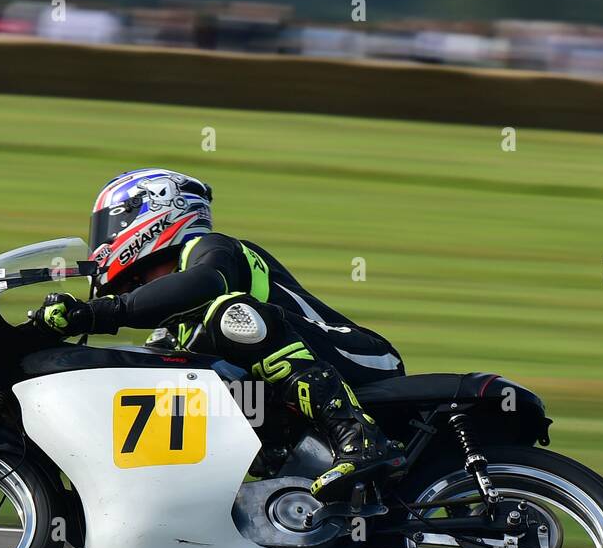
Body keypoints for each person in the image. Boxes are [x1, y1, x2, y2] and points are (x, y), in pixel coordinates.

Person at [30, 168, 405, 498]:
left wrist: (100, 313)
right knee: (168, 373)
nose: (103, 244)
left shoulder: (211, 249)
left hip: (361, 357)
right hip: (308, 394)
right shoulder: (175, 329)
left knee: (230, 315)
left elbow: (203, 285)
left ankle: (359, 437)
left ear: (152, 212)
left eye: (108, 228)